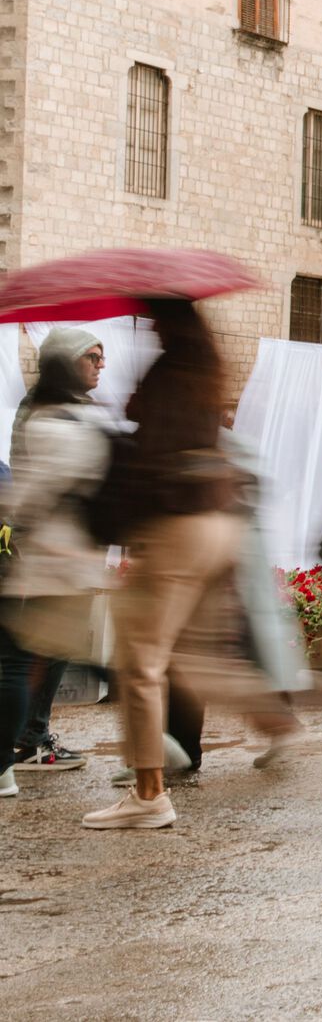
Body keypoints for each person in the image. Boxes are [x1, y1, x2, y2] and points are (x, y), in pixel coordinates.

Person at [85, 300, 291, 829]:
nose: (149, 323)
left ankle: (149, 793)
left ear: (166, 322)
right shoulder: (206, 368)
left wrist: (132, 409)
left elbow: (150, 443)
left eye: (153, 316)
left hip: (176, 524)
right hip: (215, 524)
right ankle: (277, 717)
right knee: (193, 656)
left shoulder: (171, 371)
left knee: (140, 660)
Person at [0, 329, 112, 798]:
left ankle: (24, 744)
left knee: (46, 652)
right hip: (50, 557)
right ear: (65, 361)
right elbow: (35, 486)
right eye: (92, 356)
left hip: (62, 559)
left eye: (103, 357)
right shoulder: (49, 413)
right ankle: (25, 744)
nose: (100, 364)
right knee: (30, 656)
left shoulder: (70, 412)